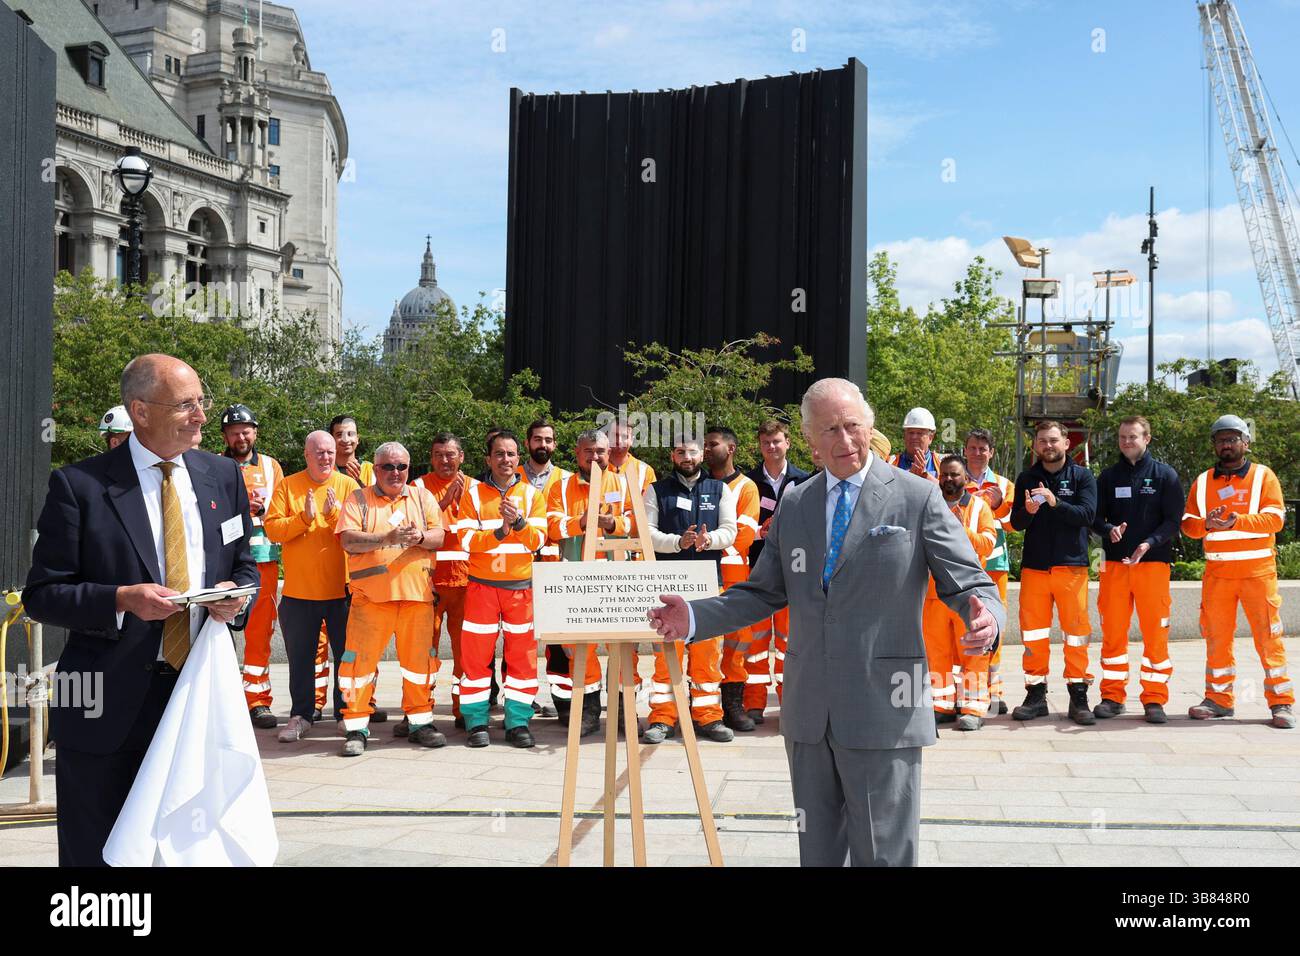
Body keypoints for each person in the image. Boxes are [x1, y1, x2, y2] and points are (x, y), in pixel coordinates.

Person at [648, 378, 1002, 866]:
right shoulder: (796, 503)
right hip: (809, 711)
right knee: (817, 852)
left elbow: (968, 581)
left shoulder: (917, 497)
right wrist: (694, 615)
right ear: (810, 439)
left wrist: (986, 615)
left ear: (871, 426)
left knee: (884, 855)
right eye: (830, 430)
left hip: (885, 707)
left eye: (853, 426)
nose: (845, 441)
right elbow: (762, 591)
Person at [24, 354, 258, 866]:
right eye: (186, 405)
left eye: (203, 402)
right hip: (105, 702)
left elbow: (244, 565)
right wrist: (120, 600)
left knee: (191, 845)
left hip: (198, 695)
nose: (202, 416)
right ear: (140, 410)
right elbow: (41, 595)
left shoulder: (222, 477)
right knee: (98, 852)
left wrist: (236, 596)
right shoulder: (79, 486)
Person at [1181, 415, 1294, 729]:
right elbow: (1188, 525)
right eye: (1221, 439)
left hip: (1258, 574)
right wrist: (1207, 523)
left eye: (1232, 438)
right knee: (1216, 639)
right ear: (1214, 445)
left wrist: (1236, 521)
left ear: (1246, 443)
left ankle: (1281, 703)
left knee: (1269, 638)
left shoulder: (1263, 477)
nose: (1226, 444)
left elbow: (1275, 520)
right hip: (1218, 576)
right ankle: (1218, 700)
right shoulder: (1203, 481)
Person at [335, 443, 447, 755]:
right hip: (370, 600)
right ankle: (356, 728)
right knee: (358, 667)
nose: (395, 473)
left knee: (420, 666)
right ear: (376, 468)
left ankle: (420, 722)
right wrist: (387, 538)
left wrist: (421, 537)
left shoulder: (423, 497)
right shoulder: (359, 499)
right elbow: (348, 540)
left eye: (401, 467)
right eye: (388, 467)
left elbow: (440, 535)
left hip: (417, 598)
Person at [641, 434, 740, 745]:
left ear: (701, 455)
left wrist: (708, 540)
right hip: (667, 582)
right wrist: (677, 543)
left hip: (708, 580)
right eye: (681, 451)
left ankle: (708, 716)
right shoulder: (657, 490)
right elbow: (648, 533)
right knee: (667, 651)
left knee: (707, 652)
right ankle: (662, 717)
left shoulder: (720, 488)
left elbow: (730, 531)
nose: (687, 457)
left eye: (692, 451)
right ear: (673, 456)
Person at [262, 431, 359, 741]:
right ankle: (301, 715)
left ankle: (347, 714)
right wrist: (303, 519)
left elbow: (358, 531)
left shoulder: (348, 486)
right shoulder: (288, 485)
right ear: (306, 455)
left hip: (342, 592)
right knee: (301, 660)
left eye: (330, 452)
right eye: (318, 452)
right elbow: (272, 529)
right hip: (299, 594)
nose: (325, 457)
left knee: (347, 657)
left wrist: (332, 515)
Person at [457, 430, 548, 747]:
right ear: (488, 459)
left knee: (522, 659)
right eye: (499, 454)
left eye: (510, 454)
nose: (505, 460)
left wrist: (520, 524)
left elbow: (539, 540)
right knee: (475, 659)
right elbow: (466, 540)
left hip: (519, 590)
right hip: (481, 589)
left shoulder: (533, 496)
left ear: (517, 459)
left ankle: (518, 723)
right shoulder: (473, 496)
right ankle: (476, 723)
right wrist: (500, 532)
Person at [1090, 416, 1183, 724]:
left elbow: (1174, 521)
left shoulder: (1164, 476)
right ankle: (1112, 696)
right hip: (1114, 566)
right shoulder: (1108, 477)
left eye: (1133, 436)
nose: (1126, 442)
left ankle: (1154, 698)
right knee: (1113, 633)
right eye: (1122, 437)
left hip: (1152, 566)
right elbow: (1094, 517)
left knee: (1155, 634)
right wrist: (1108, 529)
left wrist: (1148, 543)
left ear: (1147, 439)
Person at [1009, 420, 1098, 725]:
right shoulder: (1027, 477)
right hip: (1035, 568)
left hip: (1071, 567)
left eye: (1053, 440)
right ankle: (1035, 695)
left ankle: (1078, 694)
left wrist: (1055, 502)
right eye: (1042, 441)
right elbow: (1017, 522)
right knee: (1033, 634)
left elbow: (1087, 515)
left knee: (1075, 634)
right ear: (1036, 446)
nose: (1048, 446)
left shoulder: (1082, 476)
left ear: (1066, 443)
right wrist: (1029, 512)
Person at [546, 428, 631, 735]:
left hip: (617, 579)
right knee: (580, 649)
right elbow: (551, 526)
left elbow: (638, 522)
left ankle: (624, 711)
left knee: (623, 648)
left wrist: (614, 523)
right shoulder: (561, 487)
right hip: (576, 579)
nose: (595, 457)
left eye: (601, 452)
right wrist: (582, 522)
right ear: (577, 453)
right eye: (589, 452)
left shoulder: (624, 482)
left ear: (609, 453)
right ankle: (589, 712)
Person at [219, 404, 285, 729]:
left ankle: (257, 700)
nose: (240, 437)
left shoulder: (272, 467)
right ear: (225, 436)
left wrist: (258, 512)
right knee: (216, 632)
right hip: (223, 563)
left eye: (245, 431)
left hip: (263, 561)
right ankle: (222, 700)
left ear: (255, 432)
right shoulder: (214, 465)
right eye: (234, 432)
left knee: (260, 633)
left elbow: (281, 512)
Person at [924, 455, 998, 730]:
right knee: (937, 652)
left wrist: (960, 529)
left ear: (966, 478)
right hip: (933, 594)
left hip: (969, 594)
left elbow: (988, 544)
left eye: (954, 474)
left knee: (974, 651)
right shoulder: (929, 504)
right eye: (944, 475)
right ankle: (941, 705)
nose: (948, 480)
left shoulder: (980, 507)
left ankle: (973, 708)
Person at [410, 433, 477, 731]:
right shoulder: (418, 487)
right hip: (429, 583)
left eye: (450, 454)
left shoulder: (476, 488)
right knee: (425, 650)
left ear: (461, 456)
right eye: (439, 454)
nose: (445, 460)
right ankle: (420, 710)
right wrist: (445, 502)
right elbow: (412, 526)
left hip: (466, 583)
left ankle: (463, 708)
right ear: (431, 456)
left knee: (466, 651)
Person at [744, 420, 810, 720]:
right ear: (760, 446)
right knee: (755, 640)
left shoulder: (804, 479)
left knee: (789, 641)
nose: (772, 447)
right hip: (758, 567)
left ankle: (791, 702)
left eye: (777, 441)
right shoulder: (749, 481)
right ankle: (754, 703)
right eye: (766, 442)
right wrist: (760, 531)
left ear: (788, 443)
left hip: (793, 570)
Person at [705, 426, 763, 733]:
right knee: (701, 639)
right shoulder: (697, 484)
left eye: (712, 444)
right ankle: (702, 703)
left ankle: (733, 703)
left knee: (737, 639)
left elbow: (743, 537)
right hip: (701, 574)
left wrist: (703, 544)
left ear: (731, 449)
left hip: (734, 573)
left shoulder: (746, 488)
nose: (705, 449)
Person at [963, 428, 1015, 714]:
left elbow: (1011, 524)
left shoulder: (1004, 485)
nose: (977, 453)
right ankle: (967, 691)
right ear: (965, 450)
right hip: (964, 566)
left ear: (991, 452)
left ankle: (994, 691)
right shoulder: (956, 480)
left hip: (994, 566)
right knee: (965, 627)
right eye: (972, 447)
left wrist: (998, 506)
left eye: (983, 448)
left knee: (994, 627)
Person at [888, 407, 941, 482]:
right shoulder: (889, 462)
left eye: (919, 433)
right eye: (911, 432)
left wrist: (925, 476)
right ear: (904, 435)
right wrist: (910, 477)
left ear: (931, 437)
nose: (914, 437)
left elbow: (951, 492)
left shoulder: (942, 464)